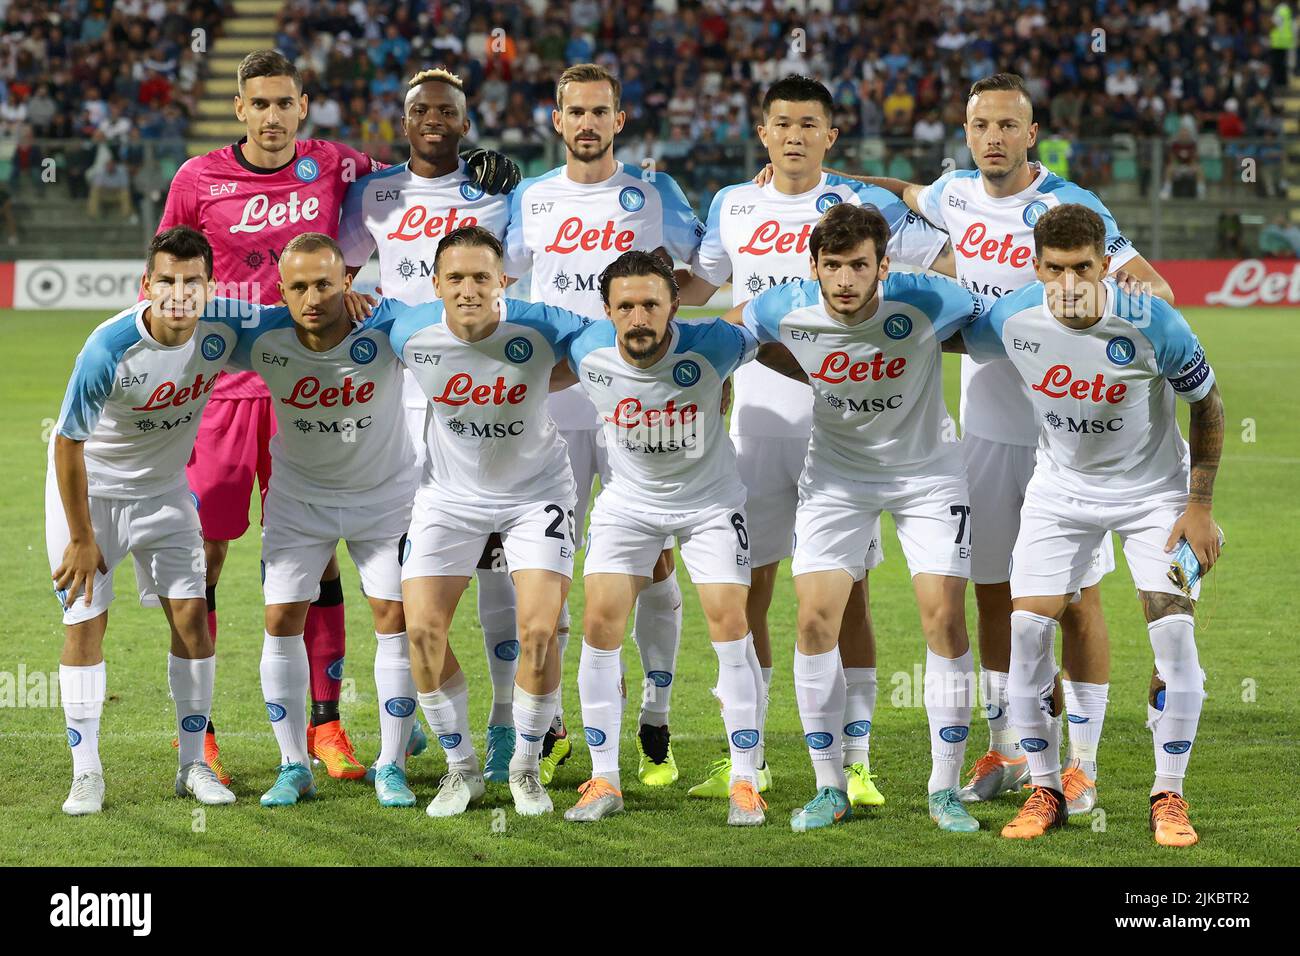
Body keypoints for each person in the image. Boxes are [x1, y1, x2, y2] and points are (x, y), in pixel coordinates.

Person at [156, 49, 518, 784]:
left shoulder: (340, 167)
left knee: (316, 555)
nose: (271, 116)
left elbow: (420, 165)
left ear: (302, 104)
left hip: (318, 383)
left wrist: (479, 164)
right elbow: (168, 267)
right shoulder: (196, 179)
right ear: (239, 108)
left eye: (283, 102)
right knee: (207, 558)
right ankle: (200, 733)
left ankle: (326, 725)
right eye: (257, 103)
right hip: (227, 392)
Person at [855, 73, 1173, 815]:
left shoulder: (1070, 207)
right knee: (995, 591)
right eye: (979, 125)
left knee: (1076, 599)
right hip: (991, 432)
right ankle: (1007, 744)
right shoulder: (953, 193)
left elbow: (1149, 285)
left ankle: (1083, 765)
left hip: (1072, 439)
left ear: (1032, 134)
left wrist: (1084, 338)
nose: (992, 137)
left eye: (1007, 125)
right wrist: (823, 177)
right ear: (965, 134)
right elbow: (905, 192)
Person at [676, 74, 952, 805]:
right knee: (752, 586)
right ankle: (751, 758)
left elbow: (948, 264)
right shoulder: (731, 204)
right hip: (761, 418)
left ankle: (854, 762)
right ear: (760, 132)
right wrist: (614, 289)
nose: (793, 134)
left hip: (856, 428)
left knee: (849, 591)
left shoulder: (868, 210)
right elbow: (700, 288)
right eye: (781, 123)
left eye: (809, 124)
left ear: (832, 136)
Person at [960, 203, 1222, 846]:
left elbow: (1208, 404)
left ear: (1106, 264)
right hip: (1059, 492)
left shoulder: (1151, 318)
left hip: (1154, 494)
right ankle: (1047, 787)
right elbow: (932, 337)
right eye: (1056, 270)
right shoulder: (1012, 314)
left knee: (1176, 642)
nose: (1070, 284)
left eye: (1083, 268)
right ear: (1036, 266)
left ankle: (1169, 794)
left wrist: (1200, 507)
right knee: (1026, 634)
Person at [727, 202, 983, 834]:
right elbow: (733, 335)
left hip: (928, 476)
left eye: (859, 266)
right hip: (837, 477)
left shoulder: (928, 298)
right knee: (815, 620)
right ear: (813, 266)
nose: (845, 279)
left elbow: (989, 321)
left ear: (883, 266)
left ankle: (943, 788)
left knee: (944, 617)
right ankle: (830, 785)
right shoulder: (782, 307)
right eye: (833, 266)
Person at [505, 63, 704, 787]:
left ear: (620, 120)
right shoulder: (528, 197)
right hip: (553, 402)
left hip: (636, 399)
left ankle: (655, 716)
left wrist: (670, 318)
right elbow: (490, 278)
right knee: (548, 566)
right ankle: (556, 724)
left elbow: (707, 268)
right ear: (556, 121)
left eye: (600, 111)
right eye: (574, 112)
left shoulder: (655, 194)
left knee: (651, 560)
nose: (586, 123)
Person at [339, 67, 520, 783]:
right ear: (404, 120)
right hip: (394, 401)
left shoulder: (497, 191)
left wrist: (515, 183)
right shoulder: (374, 194)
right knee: (407, 567)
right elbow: (344, 268)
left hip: (480, 396)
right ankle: (409, 723)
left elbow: (521, 274)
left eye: (448, 110)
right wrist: (355, 297)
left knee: (497, 558)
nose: (435, 120)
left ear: (465, 122)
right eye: (422, 110)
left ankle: (506, 722)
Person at [372, 225, 590, 818]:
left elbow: (623, 345)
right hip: (447, 496)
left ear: (504, 282)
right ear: (436, 284)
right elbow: (325, 323)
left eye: (481, 277)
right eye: (456, 278)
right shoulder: (405, 327)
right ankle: (460, 768)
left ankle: (524, 766)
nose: (469, 289)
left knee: (539, 633)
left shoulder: (546, 325)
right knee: (421, 633)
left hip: (536, 495)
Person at [559, 250, 767, 825]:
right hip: (629, 505)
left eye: (652, 303)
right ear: (607, 311)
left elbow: (769, 314)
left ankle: (747, 778)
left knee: (730, 623)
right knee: (600, 624)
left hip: (711, 505)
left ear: (675, 304)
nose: (639, 316)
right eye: (625, 306)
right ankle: (604, 779)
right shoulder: (585, 348)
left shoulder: (715, 345)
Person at [48, 226, 243, 815]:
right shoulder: (108, 347)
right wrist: (81, 537)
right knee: (86, 627)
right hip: (93, 496)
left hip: (164, 494)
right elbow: (67, 443)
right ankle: (87, 775)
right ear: (147, 285)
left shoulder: (229, 327)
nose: (180, 293)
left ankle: (192, 766)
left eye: (192, 281)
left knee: (192, 621)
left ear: (210, 287)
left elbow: (301, 317)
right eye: (167, 280)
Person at [228, 233, 420, 809]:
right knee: (281, 617)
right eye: (299, 286)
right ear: (281, 290)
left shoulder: (386, 326)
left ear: (347, 283)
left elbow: (450, 320)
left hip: (384, 498)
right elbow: (188, 321)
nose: (312, 297)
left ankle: (391, 764)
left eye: (324, 284)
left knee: (393, 617)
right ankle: (293, 765)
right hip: (299, 500)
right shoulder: (262, 336)